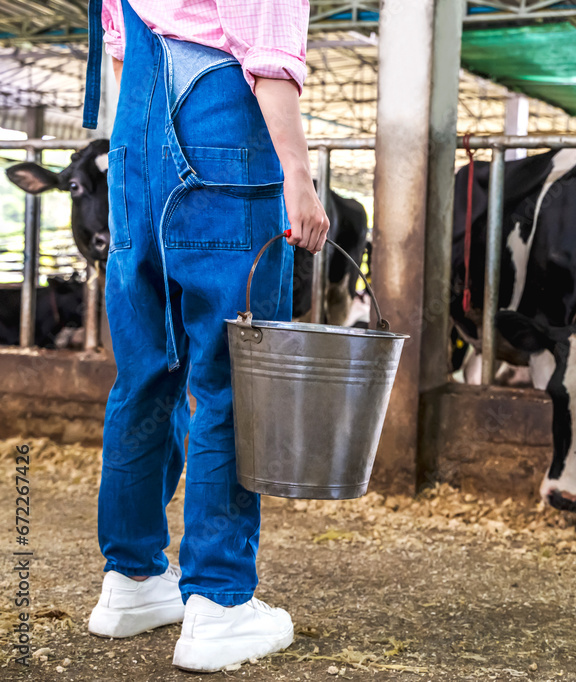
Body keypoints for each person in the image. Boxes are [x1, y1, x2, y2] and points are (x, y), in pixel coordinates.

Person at [81, 0, 329, 672]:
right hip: (219, 133)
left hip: (134, 147)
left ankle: (131, 580)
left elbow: (121, 52)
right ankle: (220, 605)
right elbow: (270, 65)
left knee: (146, 371)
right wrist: (300, 181)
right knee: (228, 377)